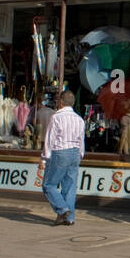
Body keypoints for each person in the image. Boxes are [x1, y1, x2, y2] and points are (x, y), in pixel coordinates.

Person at [42, 90, 84, 225]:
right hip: (75, 153)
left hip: (60, 152)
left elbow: (50, 139)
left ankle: (62, 209)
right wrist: (80, 154)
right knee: (70, 186)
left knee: (48, 185)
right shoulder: (79, 119)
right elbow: (81, 140)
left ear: (60, 102)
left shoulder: (56, 117)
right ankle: (69, 218)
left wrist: (44, 157)